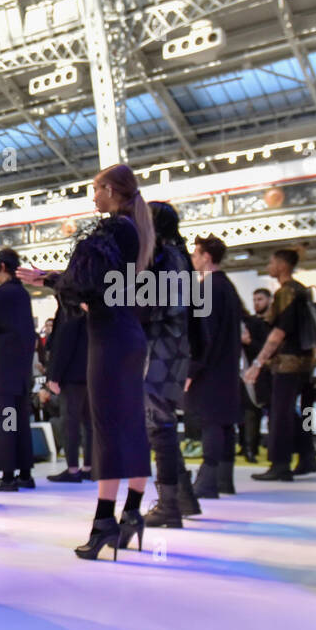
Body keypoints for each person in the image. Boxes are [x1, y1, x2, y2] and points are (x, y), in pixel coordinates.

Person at [18, 164, 153, 559]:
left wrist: (47, 280)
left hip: (109, 339)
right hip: (127, 336)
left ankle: (103, 524)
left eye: (95, 190)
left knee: (109, 431)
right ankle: (130, 514)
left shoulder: (114, 230)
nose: (93, 197)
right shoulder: (136, 230)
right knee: (128, 428)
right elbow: (96, 281)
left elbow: (86, 283)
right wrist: (51, 278)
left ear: (110, 190)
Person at [136, 203, 192, 528]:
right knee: (162, 425)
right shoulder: (177, 256)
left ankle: (170, 505)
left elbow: (158, 308)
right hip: (171, 348)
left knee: (159, 426)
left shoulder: (165, 259)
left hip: (160, 350)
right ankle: (180, 499)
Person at [245, 249, 316, 481]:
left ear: (283, 265)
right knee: (298, 412)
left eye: (272, 261)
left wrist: (258, 362)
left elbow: (279, 332)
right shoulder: (302, 290)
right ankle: (307, 456)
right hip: (305, 361)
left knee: (280, 413)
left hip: (287, 363)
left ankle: (280, 463)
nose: (269, 265)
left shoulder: (286, 293)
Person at [187, 234, 244, 496]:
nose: (193, 258)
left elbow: (203, 334)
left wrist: (191, 370)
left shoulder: (207, 288)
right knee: (224, 423)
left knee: (211, 422)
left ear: (206, 256)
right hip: (228, 366)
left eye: (196, 253)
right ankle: (223, 479)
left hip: (209, 369)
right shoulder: (228, 287)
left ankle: (208, 481)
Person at [0, 248, 36, 492]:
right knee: (19, 422)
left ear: (1, 266)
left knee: (5, 423)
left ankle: (8, 476)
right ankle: (24, 473)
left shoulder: (1, 295)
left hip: (1, 374)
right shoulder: (23, 295)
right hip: (20, 374)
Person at [43, 272, 92, 482]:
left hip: (71, 376)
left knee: (70, 423)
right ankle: (90, 467)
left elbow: (63, 345)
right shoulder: (88, 307)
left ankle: (73, 469)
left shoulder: (67, 311)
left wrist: (54, 375)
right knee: (89, 423)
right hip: (91, 373)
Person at [240, 289, 274, 462]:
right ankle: (247, 447)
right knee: (247, 411)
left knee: (259, 411)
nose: (256, 302)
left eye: (260, 299)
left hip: (264, 373)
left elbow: (266, 349)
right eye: (254, 299)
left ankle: (256, 448)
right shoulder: (250, 322)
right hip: (243, 372)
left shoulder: (264, 324)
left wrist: (249, 342)